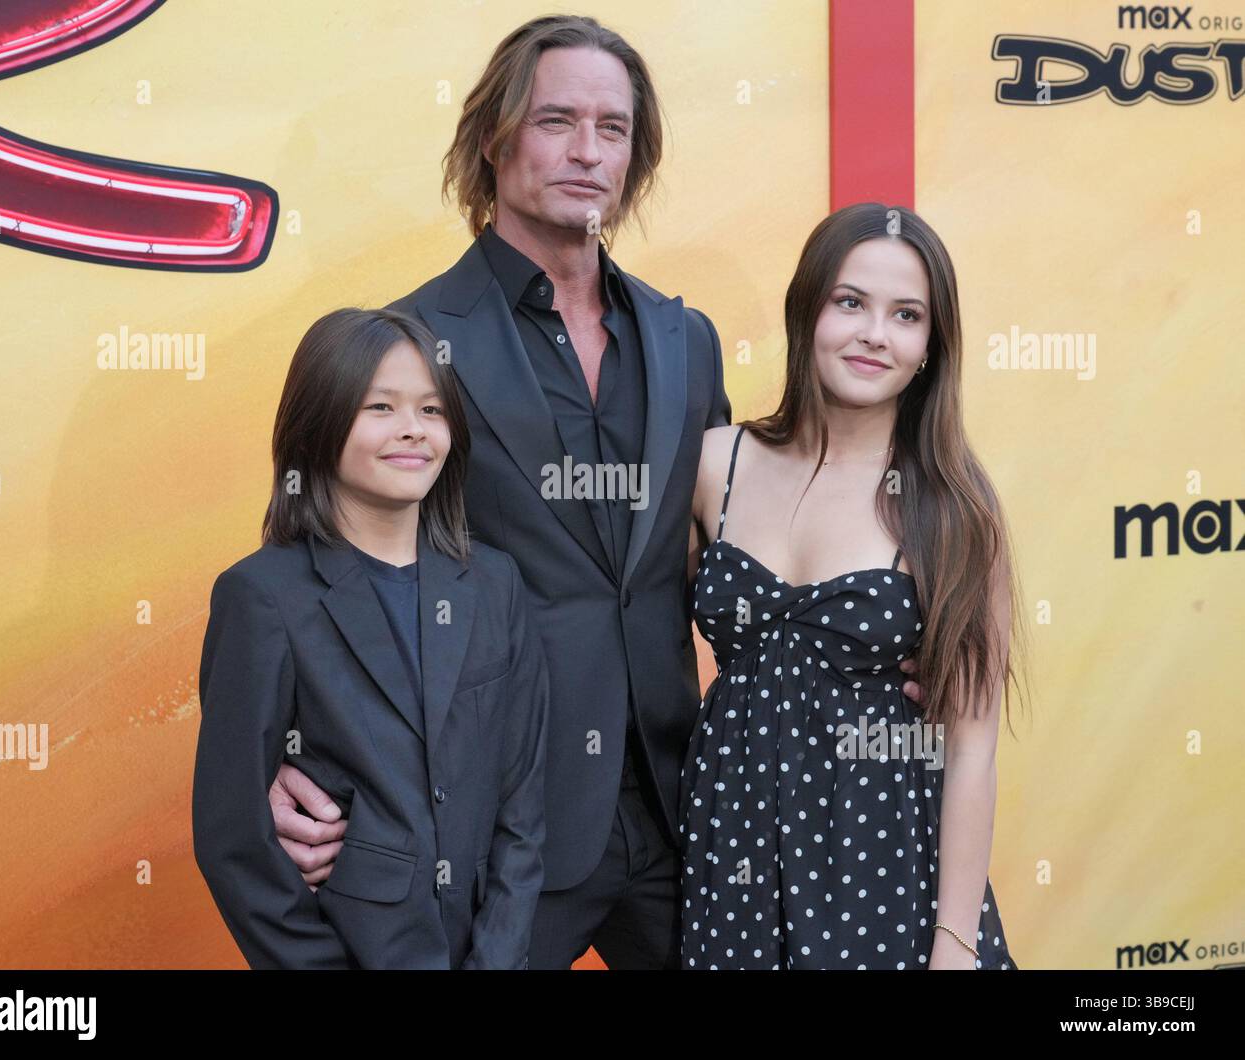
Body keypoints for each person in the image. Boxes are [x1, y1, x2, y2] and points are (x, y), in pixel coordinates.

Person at [266, 15, 925, 969]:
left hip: (686, 806)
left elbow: (747, 535)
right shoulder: (412, 340)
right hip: (495, 825)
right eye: (556, 121)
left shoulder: (681, 338)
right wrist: (287, 752)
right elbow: (319, 566)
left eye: (612, 129)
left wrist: (892, 653)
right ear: (494, 138)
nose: (587, 152)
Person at [682, 203, 1022, 970]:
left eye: (907, 315)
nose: (875, 333)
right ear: (808, 311)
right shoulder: (713, 466)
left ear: (930, 348)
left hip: (884, 866)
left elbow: (971, 748)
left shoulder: (955, 508)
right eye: (851, 302)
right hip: (729, 849)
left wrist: (955, 943)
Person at [192, 307, 548, 969]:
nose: (413, 430)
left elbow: (522, 806)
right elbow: (235, 839)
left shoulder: (495, 584)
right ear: (319, 422)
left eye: (433, 410)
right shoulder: (263, 597)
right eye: (379, 406)